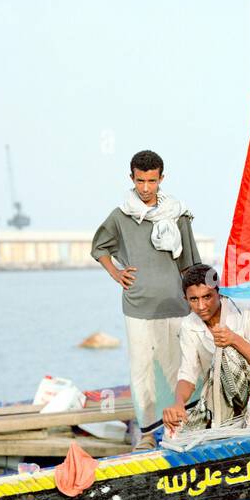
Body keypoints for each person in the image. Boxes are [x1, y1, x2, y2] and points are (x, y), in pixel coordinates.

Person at [91, 150, 203, 447]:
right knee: (142, 370)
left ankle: (186, 425)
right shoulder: (121, 216)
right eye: (140, 181)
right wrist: (116, 273)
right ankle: (148, 434)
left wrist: (201, 302)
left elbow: (190, 263)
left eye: (151, 181)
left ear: (161, 179)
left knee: (182, 365)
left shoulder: (178, 214)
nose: (145, 188)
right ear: (132, 179)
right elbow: (99, 247)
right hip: (138, 307)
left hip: (176, 305)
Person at [163, 265, 250, 434]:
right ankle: (228, 424)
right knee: (176, 429)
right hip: (222, 397)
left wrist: (234, 339)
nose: (201, 306)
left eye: (207, 297)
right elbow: (188, 374)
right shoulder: (189, 324)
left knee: (227, 353)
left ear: (220, 293)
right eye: (194, 299)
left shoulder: (246, 313)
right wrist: (178, 404)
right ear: (185, 299)